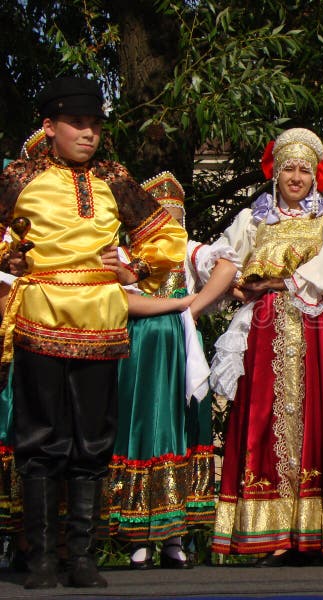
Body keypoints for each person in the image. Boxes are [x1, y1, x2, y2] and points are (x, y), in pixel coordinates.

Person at [0, 76, 186, 588]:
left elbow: (165, 233)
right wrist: (11, 257)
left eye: (95, 126)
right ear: (50, 126)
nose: (88, 134)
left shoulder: (114, 177)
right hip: (42, 313)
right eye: (76, 124)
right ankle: (39, 559)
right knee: (41, 439)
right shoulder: (20, 176)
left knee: (93, 438)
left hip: (102, 319)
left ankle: (81, 557)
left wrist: (134, 267)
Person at [210, 128, 323, 563]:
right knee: (262, 419)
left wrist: (277, 280)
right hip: (264, 328)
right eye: (289, 166)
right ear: (275, 172)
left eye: (305, 168)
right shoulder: (254, 219)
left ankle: (317, 531)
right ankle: (271, 534)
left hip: (313, 328)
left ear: (316, 175)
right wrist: (232, 284)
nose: (296, 176)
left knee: (319, 417)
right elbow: (223, 257)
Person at [103, 171, 239, 569]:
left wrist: (194, 307)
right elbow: (124, 302)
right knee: (142, 429)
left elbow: (228, 264)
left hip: (179, 350)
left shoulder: (187, 253)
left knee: (180, 427)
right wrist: (183, 304)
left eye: (174, 219)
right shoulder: (125, 256)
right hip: (139, 351)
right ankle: (139, 537)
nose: (168, 226)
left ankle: (174, 535)